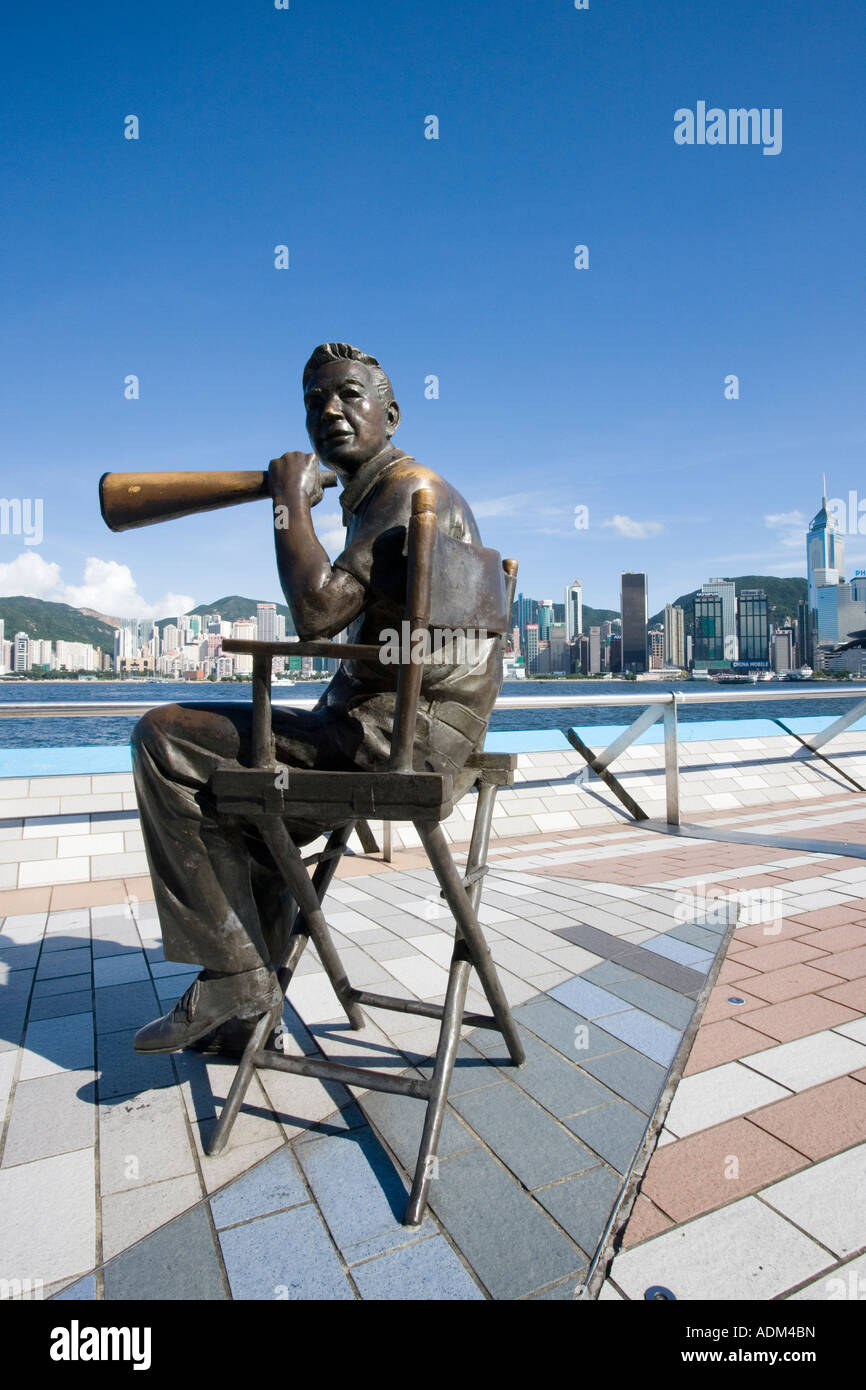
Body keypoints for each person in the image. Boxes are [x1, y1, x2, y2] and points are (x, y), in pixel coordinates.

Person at [132, 343, 501, 1054]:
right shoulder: (397, 495)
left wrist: (288, 503)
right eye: (314, 401)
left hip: (390, 745)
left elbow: (315, 612)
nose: (329, 410)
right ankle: (245, 1004)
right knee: (240, 811)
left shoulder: (407, 490)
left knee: (162, 737)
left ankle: (237, 979)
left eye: (349, 394)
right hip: (419, 738)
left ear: (391, 415)